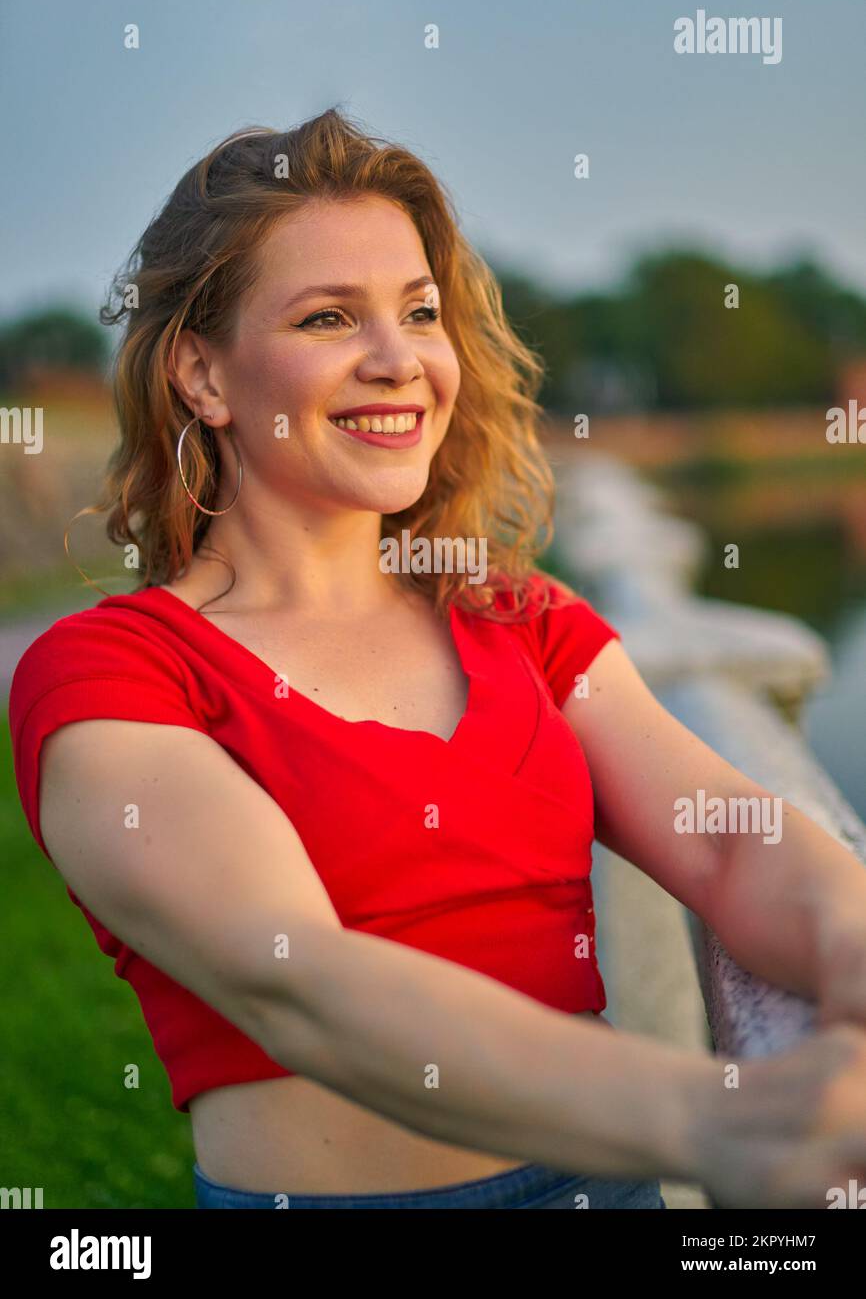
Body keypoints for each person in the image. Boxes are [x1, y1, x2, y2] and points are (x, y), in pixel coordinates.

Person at [9, 108, 866, 1211]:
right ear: (202, 377)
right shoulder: (113, 675)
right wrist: (713, 1115)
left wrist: (849, 958)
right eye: (328, 317)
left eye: (419, 311)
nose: (396, 360)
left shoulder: (519, 617)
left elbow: (728, 844)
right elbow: (299, 981)